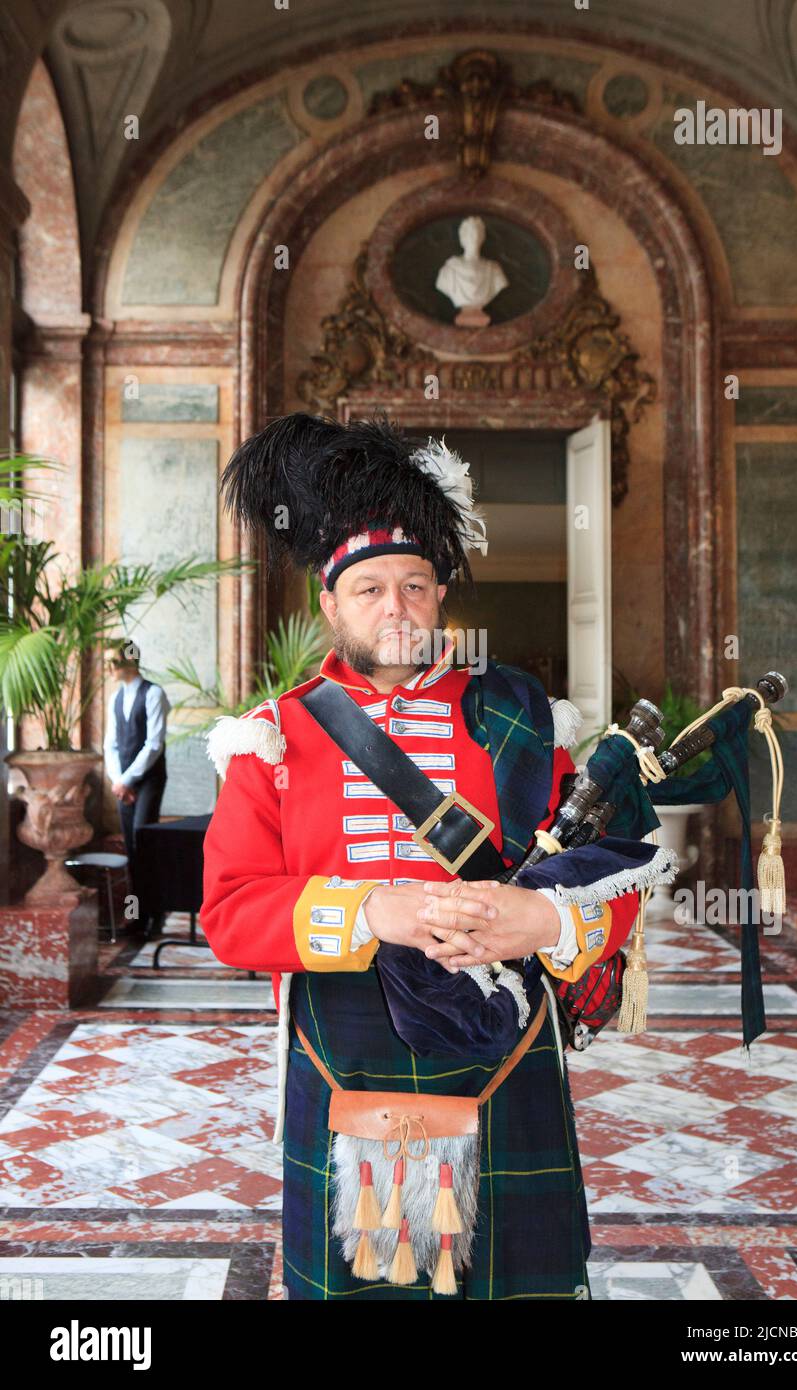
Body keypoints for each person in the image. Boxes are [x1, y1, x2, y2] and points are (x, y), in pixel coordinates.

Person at [199, 413, 640, 1300]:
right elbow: (231, 912)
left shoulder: (518, 715)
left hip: (502, 1039)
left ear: (440, 597)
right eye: (368, 588)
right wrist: (373, 911)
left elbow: (614, 866)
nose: (394, 606)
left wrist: (543, 917)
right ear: (329, 603)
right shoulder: (273, 737)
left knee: (516, 1282)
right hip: (340, 1042)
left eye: (414, 584)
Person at [103, 639, 170, 934]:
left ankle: (155, 916)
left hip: (149, 781)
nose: (109, 669)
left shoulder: (154, 693)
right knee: (130, 850)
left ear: (130, 661)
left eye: (113, 662)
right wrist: (118, 781)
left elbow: (153, 744)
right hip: (124, 784)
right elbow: (110, 745)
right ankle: (137, 917)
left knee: (145, 844)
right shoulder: (115, 698)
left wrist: (127, 780)